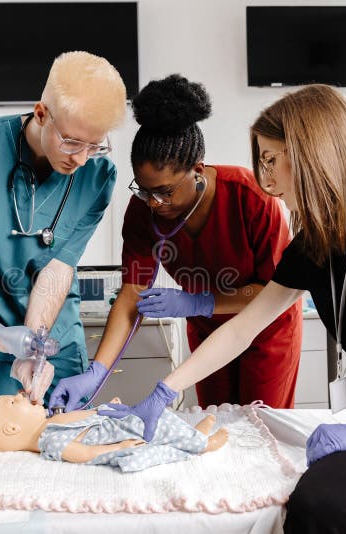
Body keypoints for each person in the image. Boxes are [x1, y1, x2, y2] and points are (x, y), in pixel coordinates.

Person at [99, 84, 346, 532]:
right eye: (262, 162)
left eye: (271, 160)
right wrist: (163, 392)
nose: (266, 181)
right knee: (320, 504)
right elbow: (241, 329)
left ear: (314, 154)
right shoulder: (314, 244)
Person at [49, 74, 302, 413]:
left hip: (266, 329)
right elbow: (131, 295)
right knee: (214, 421)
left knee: (261, 424)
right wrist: (98, 370)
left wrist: (200, 301)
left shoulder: (251, 197)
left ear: (197, 170)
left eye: (165, 192)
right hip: (208, 332)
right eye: (144, 189)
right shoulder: (142, 213)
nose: (153, 203)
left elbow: (275, 291)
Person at [0, 51, 127, 406]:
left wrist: (34, 348)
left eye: (95, 145)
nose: (81, 158)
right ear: (41, 113)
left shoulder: (99, 176)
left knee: (65, 438)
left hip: (56, 337)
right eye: (71, 141)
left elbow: (58, 266)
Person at [0, 392, 228, 472]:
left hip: (115, 420)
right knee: (159, 426)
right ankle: (203, 444)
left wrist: (106, 406)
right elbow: (83, 452)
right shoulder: (47, 440)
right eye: (13, 401)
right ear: (12, 428)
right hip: (118, 433)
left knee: (162, 416)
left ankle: (193, 434)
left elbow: (82, 418)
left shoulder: (48, 424)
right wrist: (117, 448)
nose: (21, 394)